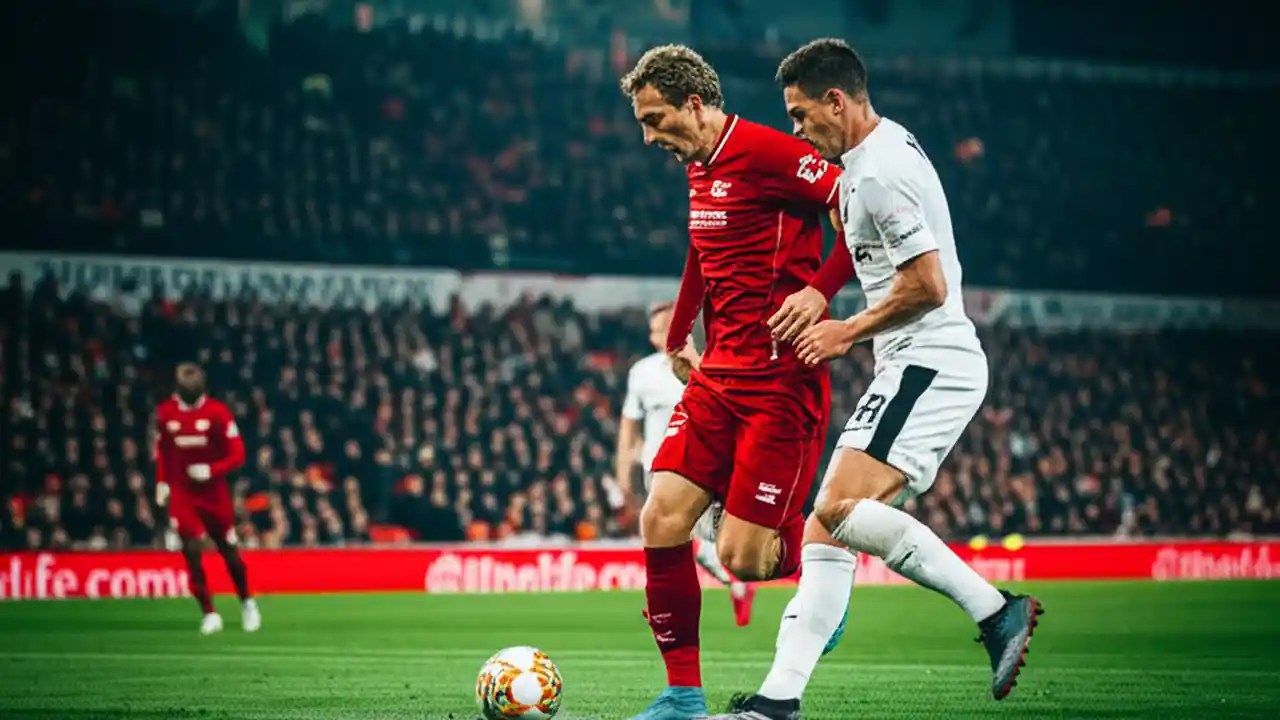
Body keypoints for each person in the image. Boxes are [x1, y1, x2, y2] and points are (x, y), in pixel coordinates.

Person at [707, 39, 1043, 720]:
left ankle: (996, 610)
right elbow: (866, 240)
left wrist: (843, 329)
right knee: (825, 534)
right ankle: (778, 700)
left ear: (838, 99)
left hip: (931, 360)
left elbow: (928, 283)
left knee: (833, 511)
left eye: (802, 115)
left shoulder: (881, 171)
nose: (799, 130)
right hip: (913, 361)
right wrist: (826, 282)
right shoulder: (872, 156)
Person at [618, 44, 855, 720]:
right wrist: (676, 333)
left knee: (745, 561)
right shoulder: (699, 165)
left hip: (782, 380)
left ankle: (826, 579)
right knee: (660, 516)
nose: (648, 136)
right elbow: (702, 246)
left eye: (656, 118)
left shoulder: (775, 154)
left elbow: (851, 204)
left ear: (695, 103)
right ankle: (683, 695)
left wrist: (820, 291)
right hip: (720, 372)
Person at [616, 301, 757, 627]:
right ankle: (730, 584)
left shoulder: (704, 365)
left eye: (663, 327)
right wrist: (624, 474)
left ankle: (672, 602)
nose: (657, 335)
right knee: (678, 535)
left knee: (685, 534)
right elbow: (628, 426)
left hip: (698, 467)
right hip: (656, 468)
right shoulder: (642, 373)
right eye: (654, 330)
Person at [154, 363, 259, 635]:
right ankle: (209, 612)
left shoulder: (217, 413)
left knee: (228, 550)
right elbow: (163, 450)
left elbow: (238, 455)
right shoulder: (166, 413)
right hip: (183, 493)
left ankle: (247, 601)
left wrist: (211, 470)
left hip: (213, 493)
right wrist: (162, 482)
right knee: (190, 550)